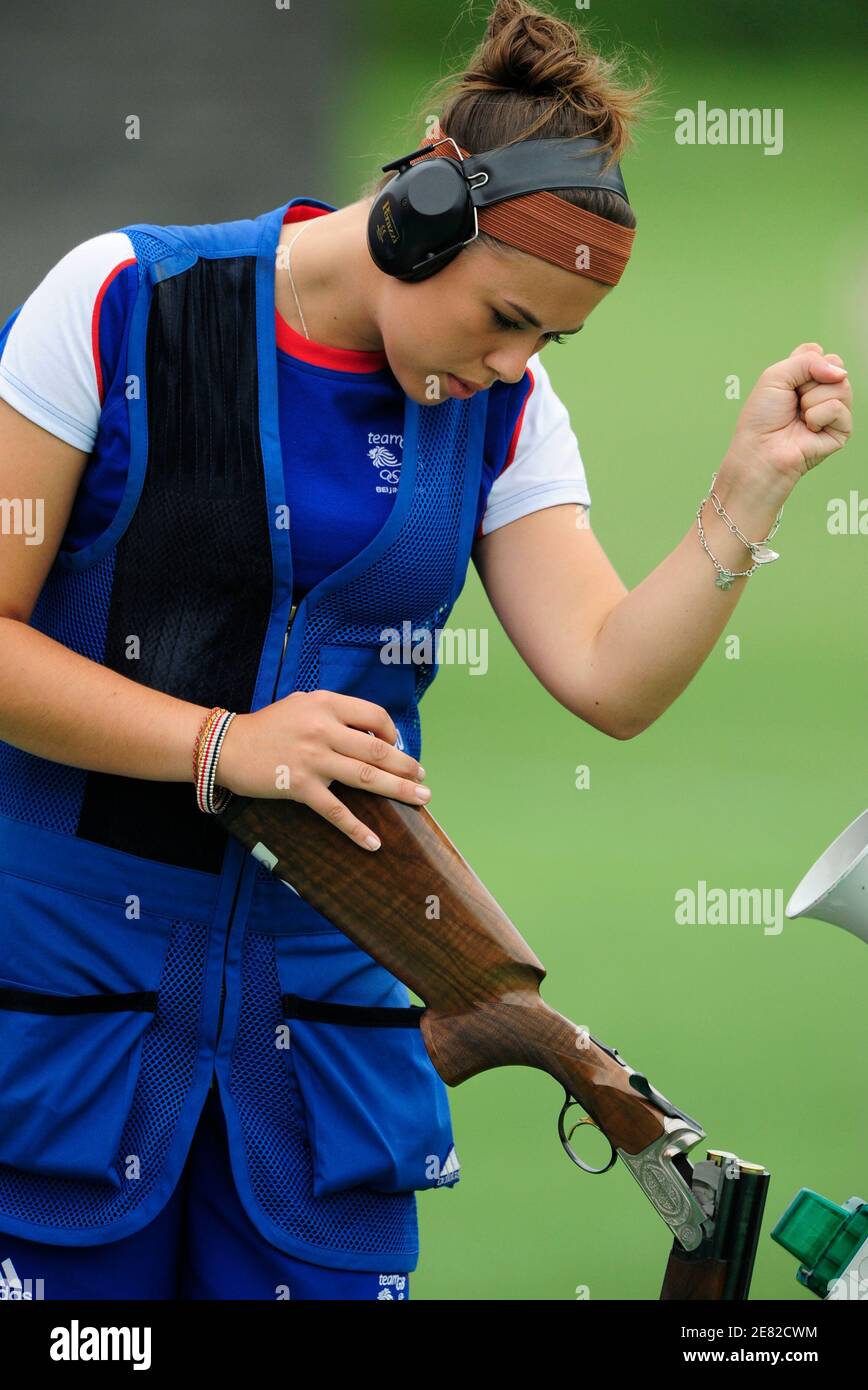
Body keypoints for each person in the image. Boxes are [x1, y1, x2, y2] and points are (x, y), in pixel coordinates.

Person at [0, 0, 852, 1302]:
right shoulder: (120, 300)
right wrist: (225, 746)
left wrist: (744, 495)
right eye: (505, 315)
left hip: (328, 1051)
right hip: (58, 1026)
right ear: (422, 213)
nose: (512, 363)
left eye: (545, 341)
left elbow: (611, 679)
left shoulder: (509, 406)